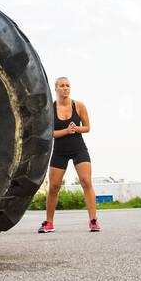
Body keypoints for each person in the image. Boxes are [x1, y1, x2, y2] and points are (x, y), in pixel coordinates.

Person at [38, 77, 100, 233]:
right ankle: (49, 223)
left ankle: (93, 220)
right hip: (60, 151)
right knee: (53, 187)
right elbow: (48, 133)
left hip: (79, 149)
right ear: (56, 89)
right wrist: (66, 131)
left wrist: (76, 129)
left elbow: (87, 127)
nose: (65, 88)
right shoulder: (50, 109)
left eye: (68, 86)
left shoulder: (79, 106)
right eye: (62, 86)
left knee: (86, 181)